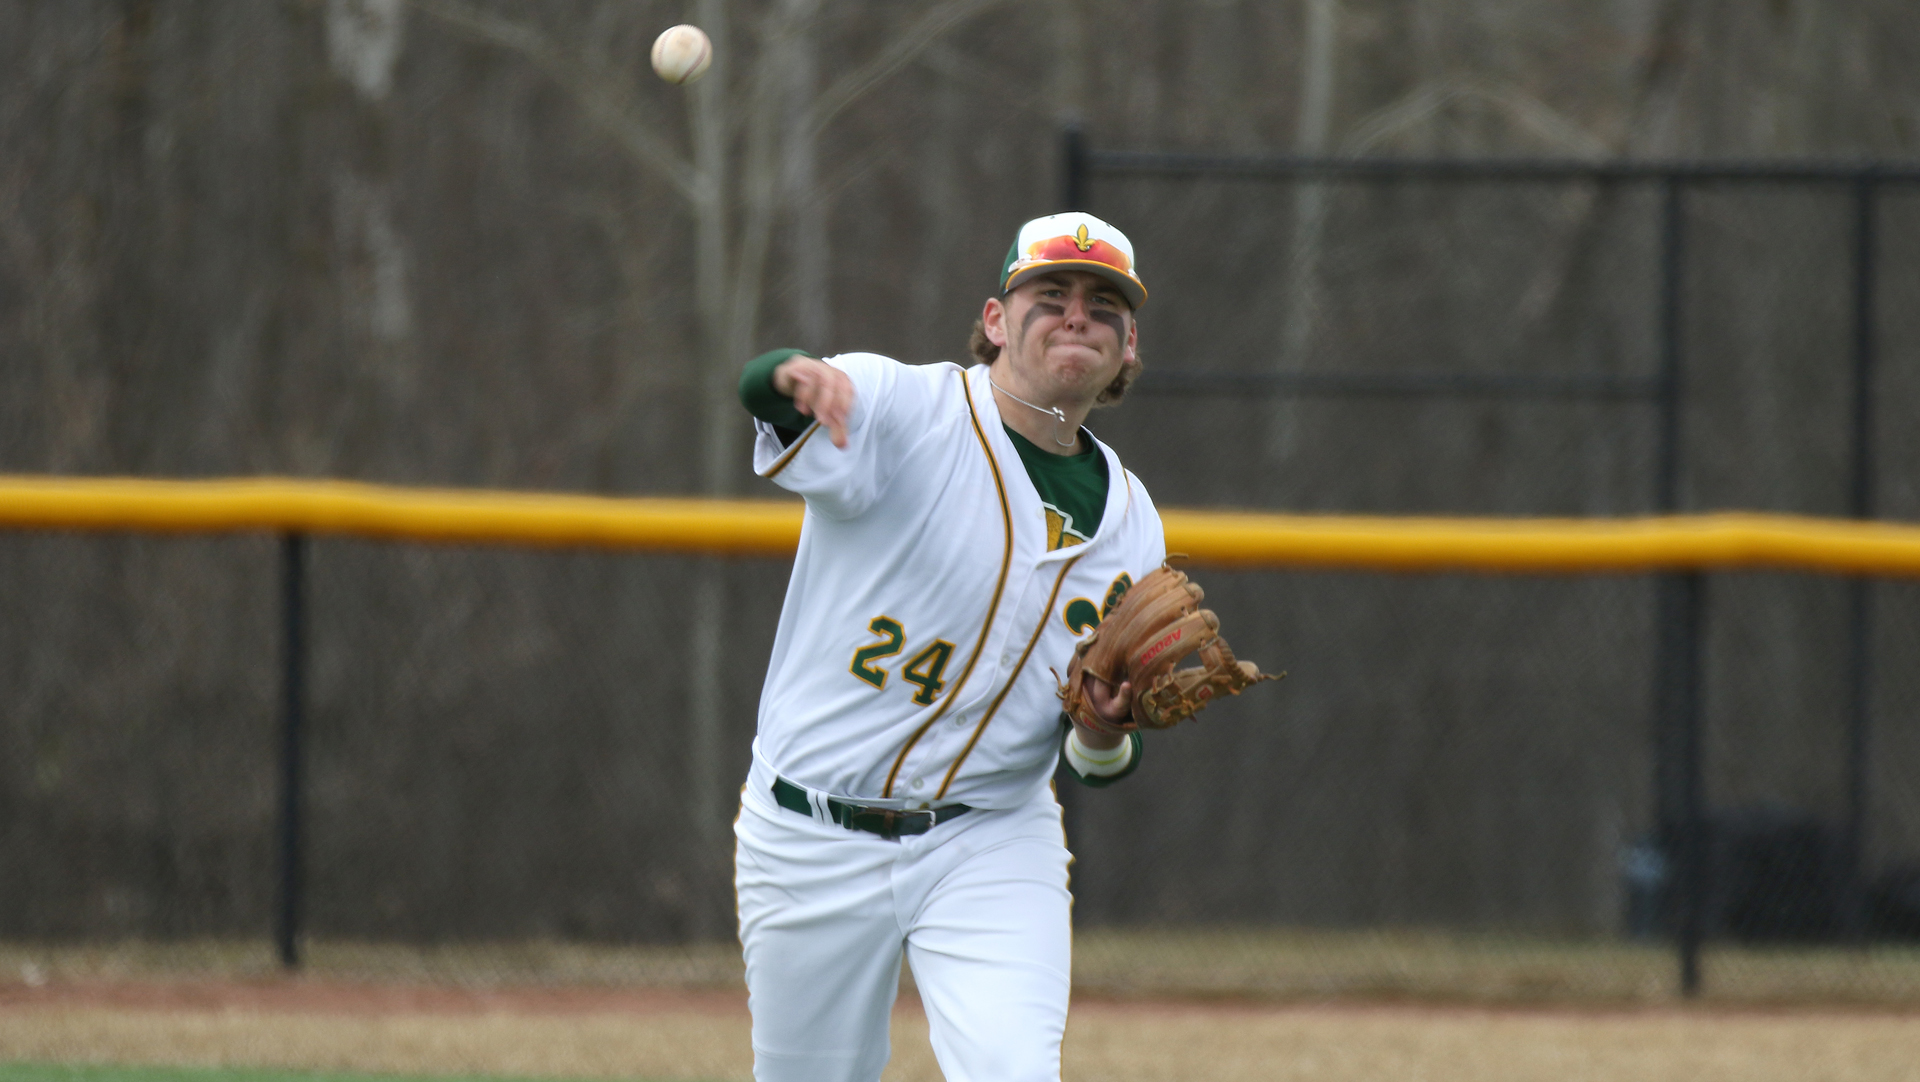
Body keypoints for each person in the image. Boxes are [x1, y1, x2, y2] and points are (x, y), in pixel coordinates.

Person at [732, 212, 1164, 1082]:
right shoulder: (901, 407)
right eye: (1051, 296)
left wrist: (1109, 734)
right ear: (997, 321)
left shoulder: (1134, 526)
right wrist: (790, 375)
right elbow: (765, 390)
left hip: (990, 838)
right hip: (809, 832)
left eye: (1103, 304)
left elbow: (1093, 760)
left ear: (1127, 347)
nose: (1077, 315)